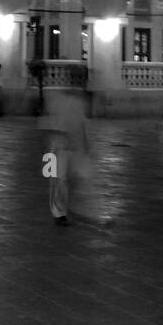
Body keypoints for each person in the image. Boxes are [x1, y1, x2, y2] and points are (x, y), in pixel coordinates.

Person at [39, 85, 110, 227]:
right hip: (57, 146)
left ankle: (82, 210)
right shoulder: (55, 100)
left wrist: (85, 146)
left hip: (72, 146)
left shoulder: (78, 103)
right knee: (59, 180)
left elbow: (82, 125)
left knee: (75, 178)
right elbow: (47, 125)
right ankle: (59, 213)